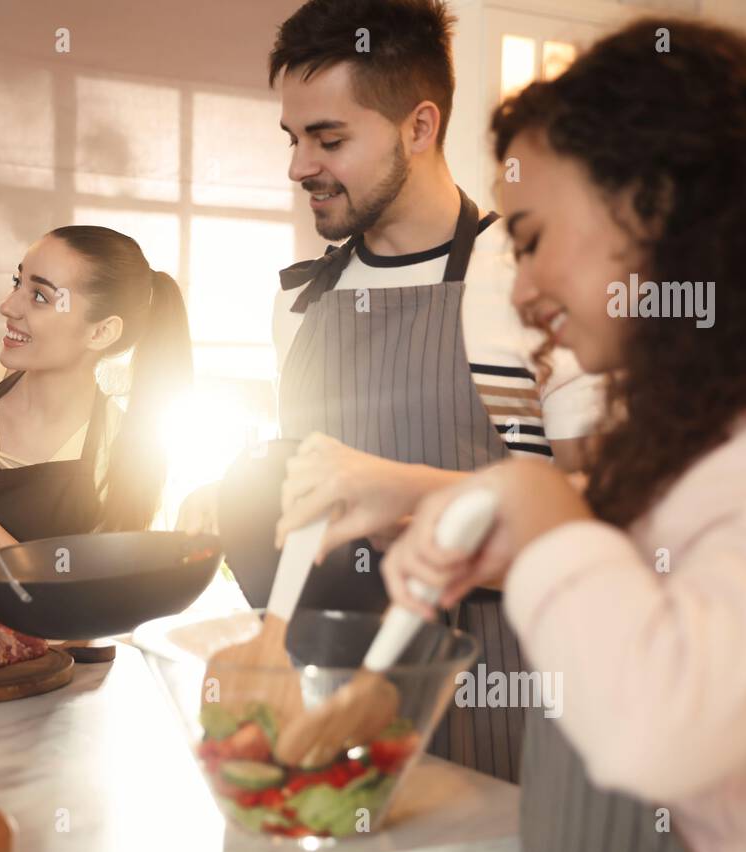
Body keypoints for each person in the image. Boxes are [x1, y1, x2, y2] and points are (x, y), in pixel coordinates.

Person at [378, 18, 746, 852]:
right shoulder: (719, 422)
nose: (522, 290)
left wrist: (539, 504)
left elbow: (655, 727)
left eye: (530, 242)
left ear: (655, 202)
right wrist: (514, 535)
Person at [251, 0, 605, 786]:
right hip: (340, 694)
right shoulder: (299, 305)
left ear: (419, 127)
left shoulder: (523, 281)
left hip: (516, 701)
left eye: (329, 138)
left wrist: (410, 504)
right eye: (293, 137)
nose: (299, 166)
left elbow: (616, 523)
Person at [0, 226, 193, 627]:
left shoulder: (124, 451)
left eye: (40, 296)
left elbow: (71, 613)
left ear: (101, 332)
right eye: (17, 282)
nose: (8, 306)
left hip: (56, 681)